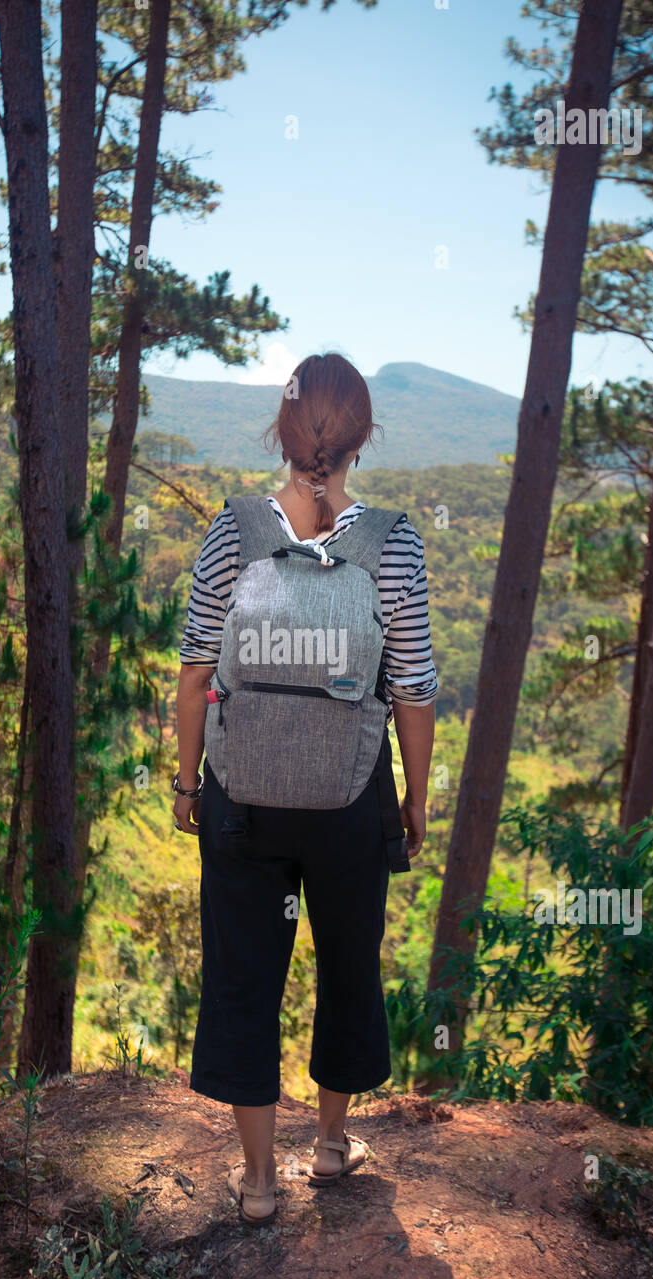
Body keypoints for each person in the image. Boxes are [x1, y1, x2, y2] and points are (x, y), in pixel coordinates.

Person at [173, 352, 437, 1225]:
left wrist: (188, 783)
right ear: (364, 437)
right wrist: (414, 800)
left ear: (281, 434)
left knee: (243, 975)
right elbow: (414, 690)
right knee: (348, 965)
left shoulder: (234, 530)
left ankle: (257, 1182)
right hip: (351, 797)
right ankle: (328, 1146)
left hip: (241, 799)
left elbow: (195, 671)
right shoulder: (393, 542)